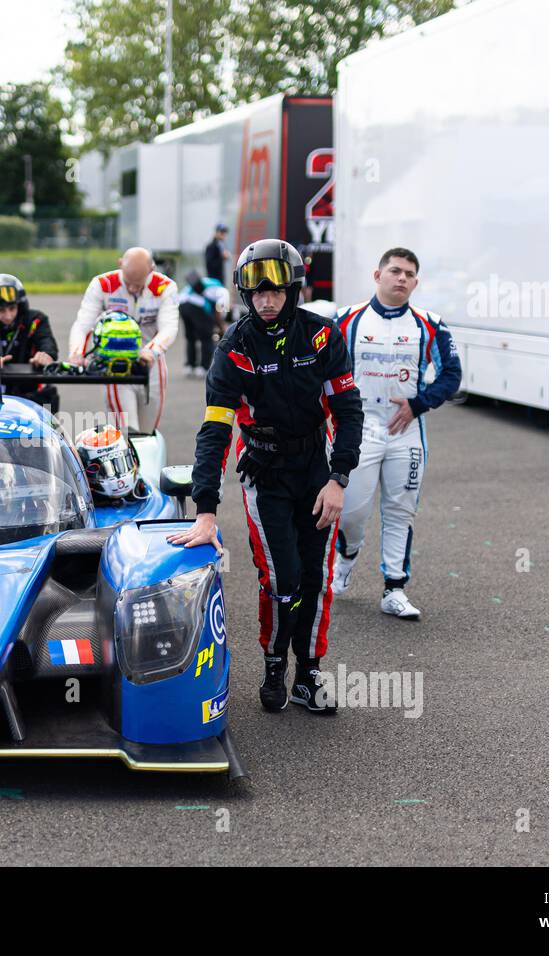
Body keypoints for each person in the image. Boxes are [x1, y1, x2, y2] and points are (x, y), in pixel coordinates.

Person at [168, 239, 363, 715]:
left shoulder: (322, 336)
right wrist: (206, 510)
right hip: (264, 473)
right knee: (283, 577)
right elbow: (214, 430)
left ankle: (308, 672)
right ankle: (274, 661)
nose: (266, 300)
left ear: (292, 290)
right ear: (245, 295)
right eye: (256, 293)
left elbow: (349, 409)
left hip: (318, 472)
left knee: (313, 578)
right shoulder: (233, 349)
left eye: (275, 291)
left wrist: (339, 478)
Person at [331, 247, 462, 620]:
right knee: (351, 513)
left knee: (400, 510)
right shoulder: (346, 320)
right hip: (358, 431)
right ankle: (347, 555)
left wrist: (418, 404)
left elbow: (452, 374)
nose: (401, 278)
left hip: (406, 431)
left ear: (416, 282)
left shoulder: (430, 324)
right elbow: (320, 371)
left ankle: (394, 588)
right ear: (378, 276)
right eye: (395, 271)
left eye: (408, 274)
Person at [69, 246, 179, 434]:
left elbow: (169, 326)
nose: (132, 289)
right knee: (127, 431)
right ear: (120, 264)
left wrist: (151, 351)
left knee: (147, 431)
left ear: (152, 269)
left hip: (150, 363)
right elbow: (83, 324)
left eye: (139, 284)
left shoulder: (165, 287)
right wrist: (77, 352)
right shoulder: (103, 284)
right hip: (114, 364)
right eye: (128, 282)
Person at [0, 273, 60, 411]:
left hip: (31, 393)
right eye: (1, 310)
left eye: (12, 308)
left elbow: (47, 342)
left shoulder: (37, 319)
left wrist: (46, 354)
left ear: (20, 306)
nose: (8, 316)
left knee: (50, 397)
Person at [179, 269, 230, 378]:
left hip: (182, 303)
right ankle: (203, 367)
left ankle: (190, 366)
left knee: (190, 337)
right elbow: (220, 311)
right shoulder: (223, 292)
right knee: (206, 338)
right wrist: (221, 327)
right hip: (198, 306)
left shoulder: (208, 282)